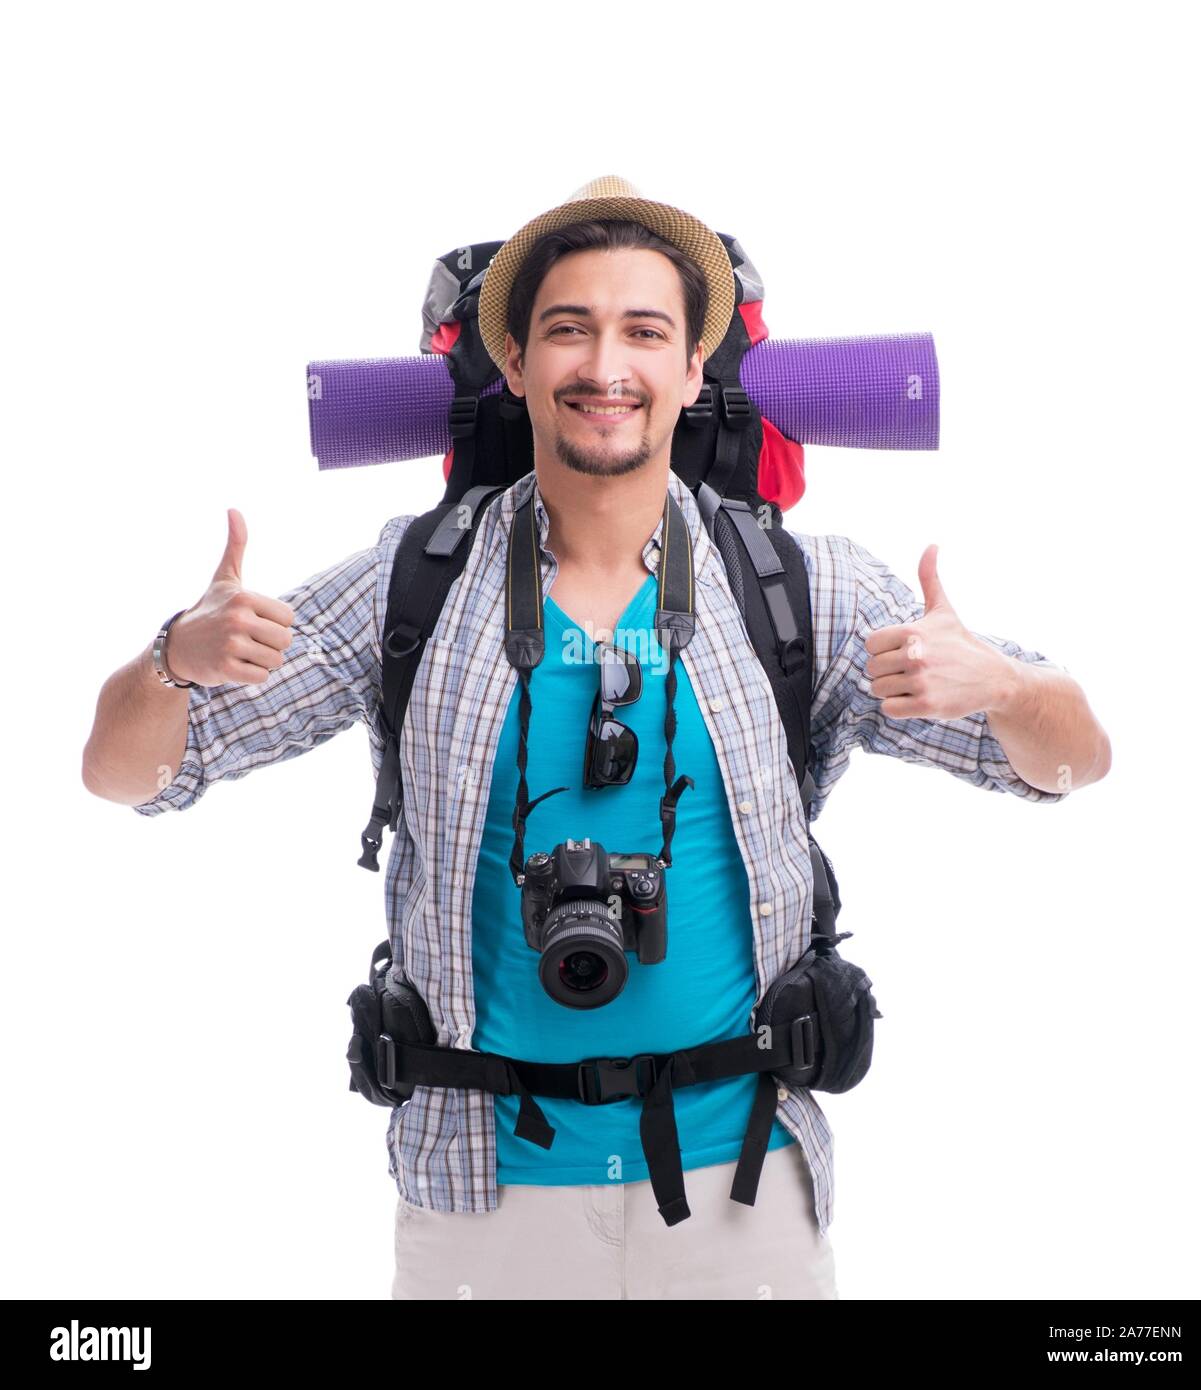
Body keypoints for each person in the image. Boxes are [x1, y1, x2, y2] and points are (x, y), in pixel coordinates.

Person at [82, 176, 1112, 1300]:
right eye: (568, 329)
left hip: (742, 1187)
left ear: (690, 367)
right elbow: (125, 772)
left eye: (643, 331)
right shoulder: (407, 586)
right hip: (481, 1199)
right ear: (516, 363)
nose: (605, 366)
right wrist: (171, 659)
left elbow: (1071, 762)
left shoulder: (796, 590)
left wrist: (1006, 688)